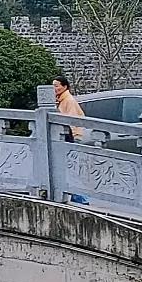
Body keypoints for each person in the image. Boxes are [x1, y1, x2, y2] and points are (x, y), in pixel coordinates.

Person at [51, 74, 89, 202]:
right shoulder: (60, 100)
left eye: (56, 86)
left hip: (70, 137)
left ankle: (81, 198)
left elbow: (72, 120)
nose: (54, 88)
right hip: (65, 137)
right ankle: (76, 197)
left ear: (64, 86)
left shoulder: (69, 100)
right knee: (67, 168)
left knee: (70, 168)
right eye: (53, 86)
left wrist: (74, 138)